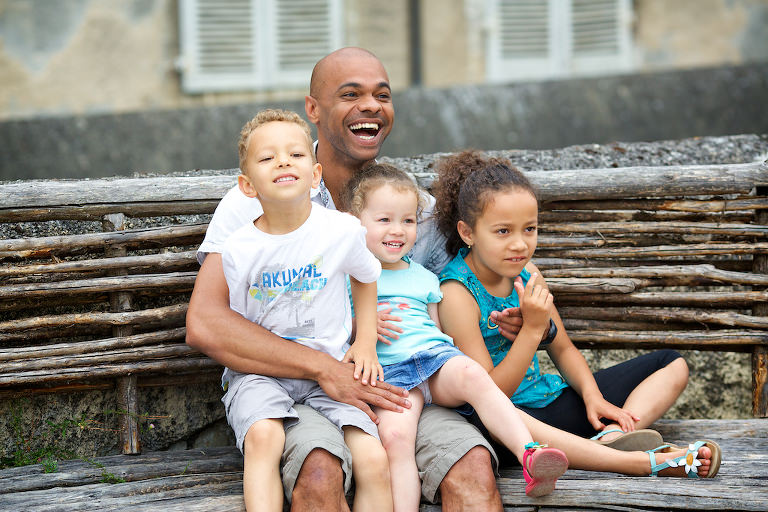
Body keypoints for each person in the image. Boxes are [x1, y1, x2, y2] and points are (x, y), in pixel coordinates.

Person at [186, 48, 504, 511]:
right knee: (319, 471)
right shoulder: (256, 198)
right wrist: (324, 368)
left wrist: (517, 309)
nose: (372, 105)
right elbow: (206, 323)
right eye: (351, 94)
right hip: (299, 390)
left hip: (402, 388)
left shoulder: (411, 210)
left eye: (382, 95)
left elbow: (462, 285)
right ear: (313, 109)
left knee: (471, 469)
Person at [431, 150, 721, 478]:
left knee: (671, 363)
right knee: (502, 416)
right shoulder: (457, 292)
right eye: (503, 232)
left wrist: (592, 397)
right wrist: (531, 331)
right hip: (506, 424)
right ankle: (640, 462)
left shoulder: (527, 274)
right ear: (468, 233)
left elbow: (564, 348)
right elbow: (490, 396)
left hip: (546, 401)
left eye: (529, 229)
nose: (520, 244)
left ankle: (613, 435)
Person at [343, 163, 568, 507]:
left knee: (472, 374)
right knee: (395, 437)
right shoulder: (348, 277)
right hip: (389, 374)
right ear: (355, 223)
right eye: (384, 220)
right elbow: (334, 329)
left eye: (407, 221)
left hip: (433, 363)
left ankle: (530, 454)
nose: (398, 230)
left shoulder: (424, 278)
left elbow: (438, 330)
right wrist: (360, 326)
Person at [218, 109, 392, 511]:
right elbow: (238, 325)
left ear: (314, 176)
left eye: (295, 154)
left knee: (372, 456)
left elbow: (367, 277)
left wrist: (364, 341)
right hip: (260, 374)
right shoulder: (239, 250)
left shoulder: (342, 230)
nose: (282, 162)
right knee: (265, 437)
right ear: (247, 185)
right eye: (267, 158)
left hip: (328, 372)